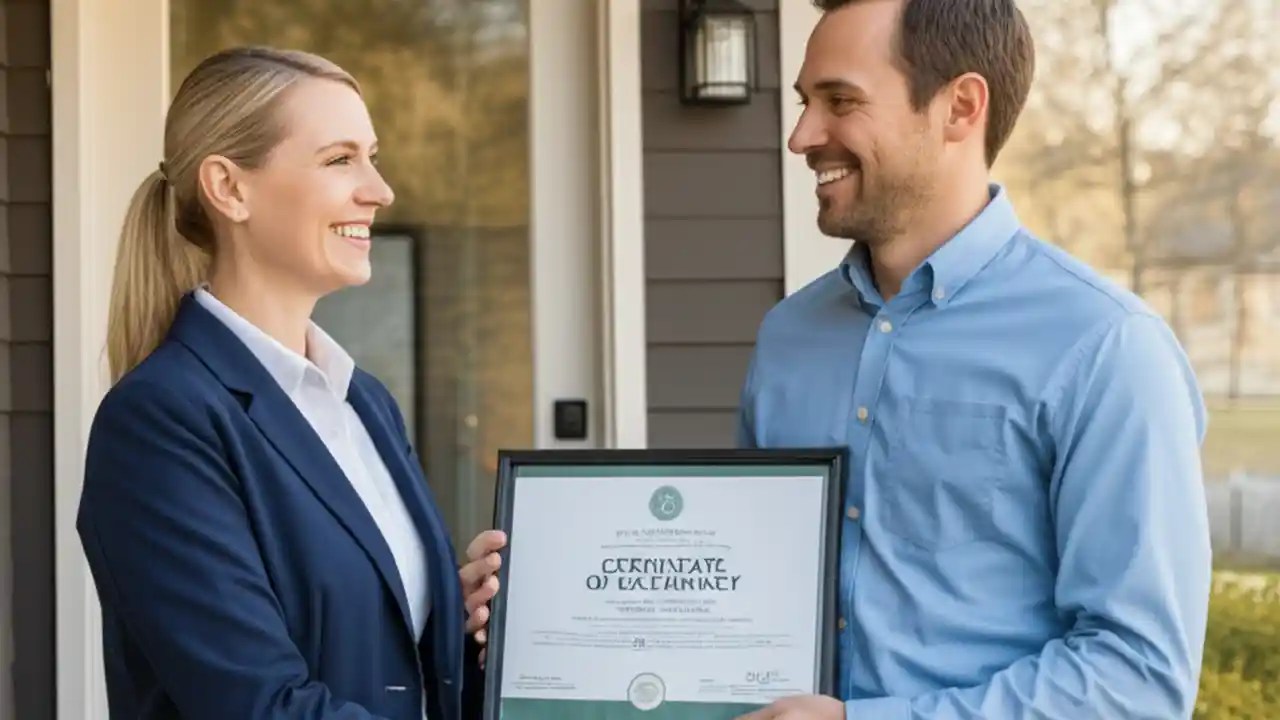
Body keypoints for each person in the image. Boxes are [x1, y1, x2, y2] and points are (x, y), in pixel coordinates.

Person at [732, 0, 1212, 718]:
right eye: (806, 103)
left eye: (841, 101)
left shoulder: (1106, 348)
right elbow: (736, 588)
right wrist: (537, 608)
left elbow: (1135, 679)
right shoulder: (787, 338)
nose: (803, 136)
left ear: (960, 106)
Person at [77, 46, 504, 720]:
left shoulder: (364, 403)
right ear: (230, 188)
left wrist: (458, 626)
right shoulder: (161, 420)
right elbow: (261, 706)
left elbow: (402, 681)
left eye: (372, 155)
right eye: (340, 159)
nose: (380, 190)